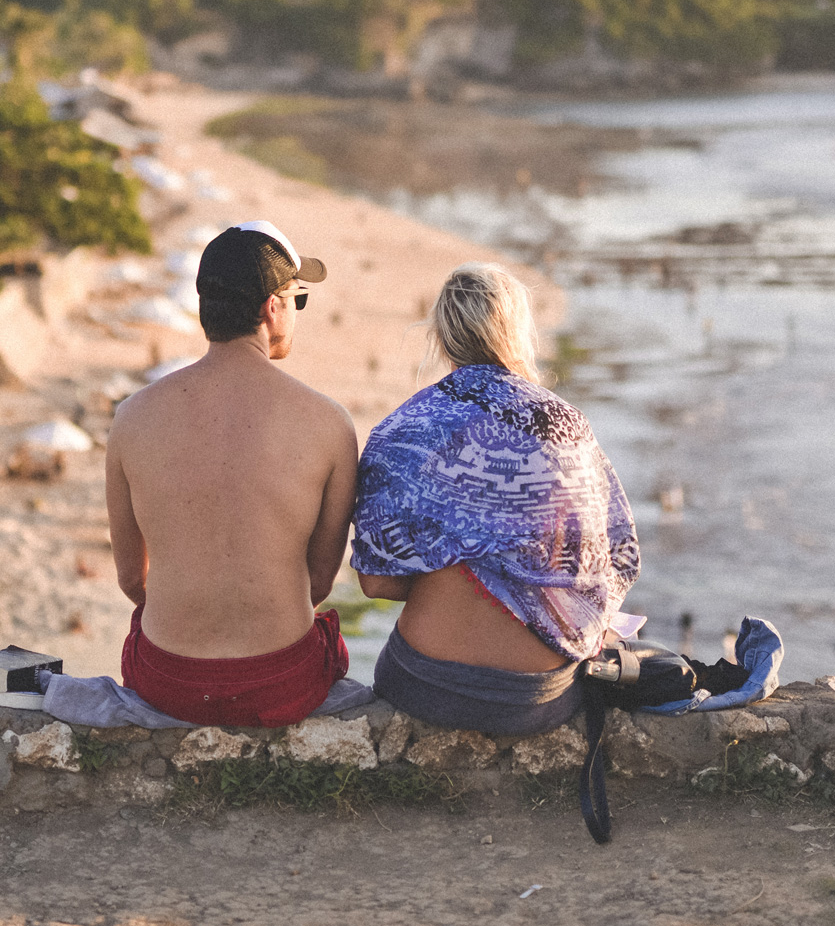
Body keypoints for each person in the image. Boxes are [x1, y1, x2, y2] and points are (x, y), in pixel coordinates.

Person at [351, 262, 637, 734]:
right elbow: (613, 563)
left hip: (426, 681)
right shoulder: (567, 427)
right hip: (538, 694)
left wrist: (455, 562)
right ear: (520, 333)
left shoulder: (404, 429)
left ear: (441, 338)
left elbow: (375, 582)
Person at [105, 220, 359, 727]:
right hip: (280, 684)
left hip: (169, 683)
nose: (295, 313)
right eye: (297, 300)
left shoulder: (131, 417)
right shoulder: (330, 423)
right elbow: (318, 583)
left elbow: (134, 581)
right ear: (272, 306)